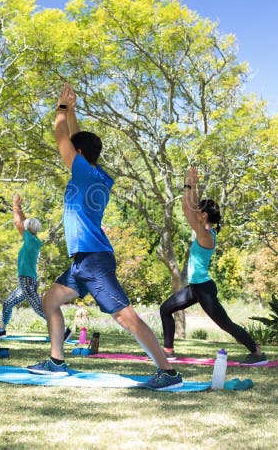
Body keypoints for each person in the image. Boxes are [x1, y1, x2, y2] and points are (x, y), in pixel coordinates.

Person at [26, 83, 183, 390]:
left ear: (80, 154)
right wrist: (72, 110)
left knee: (126, 318)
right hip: (82, 261)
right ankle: (56, 362)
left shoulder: (82, 171)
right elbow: (74, 138)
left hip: (94, 262)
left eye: (74, 150)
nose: (68, 152)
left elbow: (62, 136)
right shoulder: (96, 173)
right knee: (50, 299)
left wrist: (60, 108)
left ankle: (169, 373)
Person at [160, 166, 268, 365]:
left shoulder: (205, 235)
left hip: (203, 289)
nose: (196, 211)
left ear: (204, 216)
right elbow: (192, 207)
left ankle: (257, 353)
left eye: (199, 211)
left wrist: (187, 184)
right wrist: (193, 184)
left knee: (225, 323)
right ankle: (168, 350)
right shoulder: (206, 230)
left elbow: (186, 208)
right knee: (165, 309)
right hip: (196, 287)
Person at [0, 192, 71, 341]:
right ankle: (1, 329)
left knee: (38, 308)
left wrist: (15, 205)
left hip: (27, 281)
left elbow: (18, 223)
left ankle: (63, 331)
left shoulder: (30, 241)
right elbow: (23, 222)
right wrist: (19, 207)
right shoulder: (33, 239)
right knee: (8, 303)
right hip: (25, 281)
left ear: (28, 229)